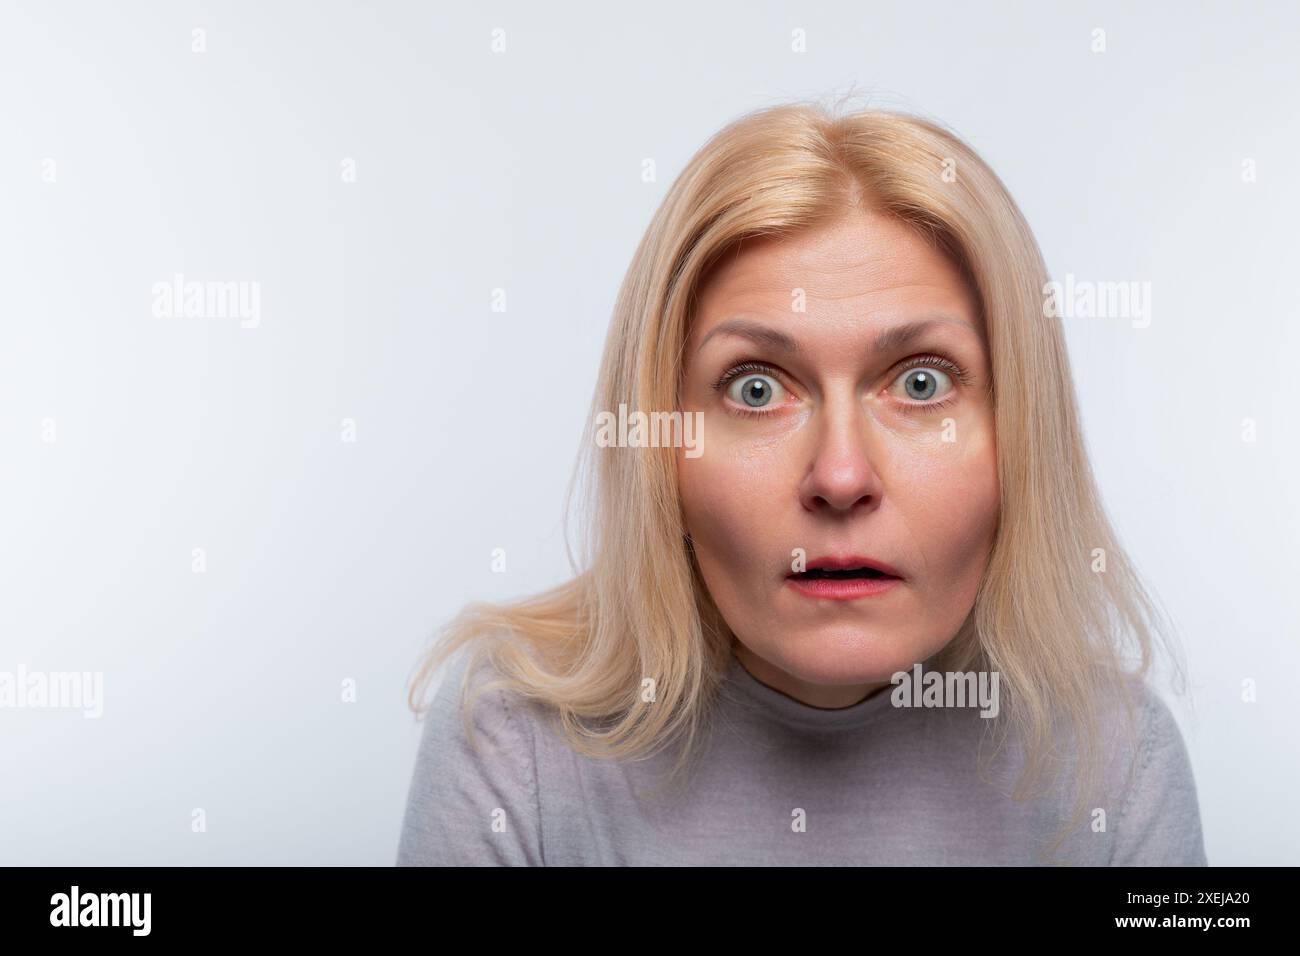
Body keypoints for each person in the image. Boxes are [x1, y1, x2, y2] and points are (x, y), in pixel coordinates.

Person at [396, 99, 1208, 866]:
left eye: (921, 384)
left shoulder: (1118, 766)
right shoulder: (515, 736)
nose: (842, 476)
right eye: (756, 388)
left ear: (1022, 436)